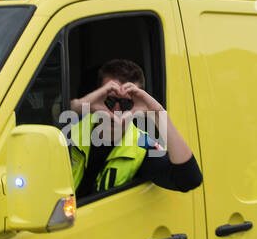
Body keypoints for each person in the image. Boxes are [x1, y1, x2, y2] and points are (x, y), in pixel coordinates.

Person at [66, 59, 201, 198]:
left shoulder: (140, 145)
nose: (117, 111)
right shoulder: (72, 127)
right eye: (110, 101)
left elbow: (189, 179)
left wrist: (157, 114)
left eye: (126, 103)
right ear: (98, 97)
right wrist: (80, 105)